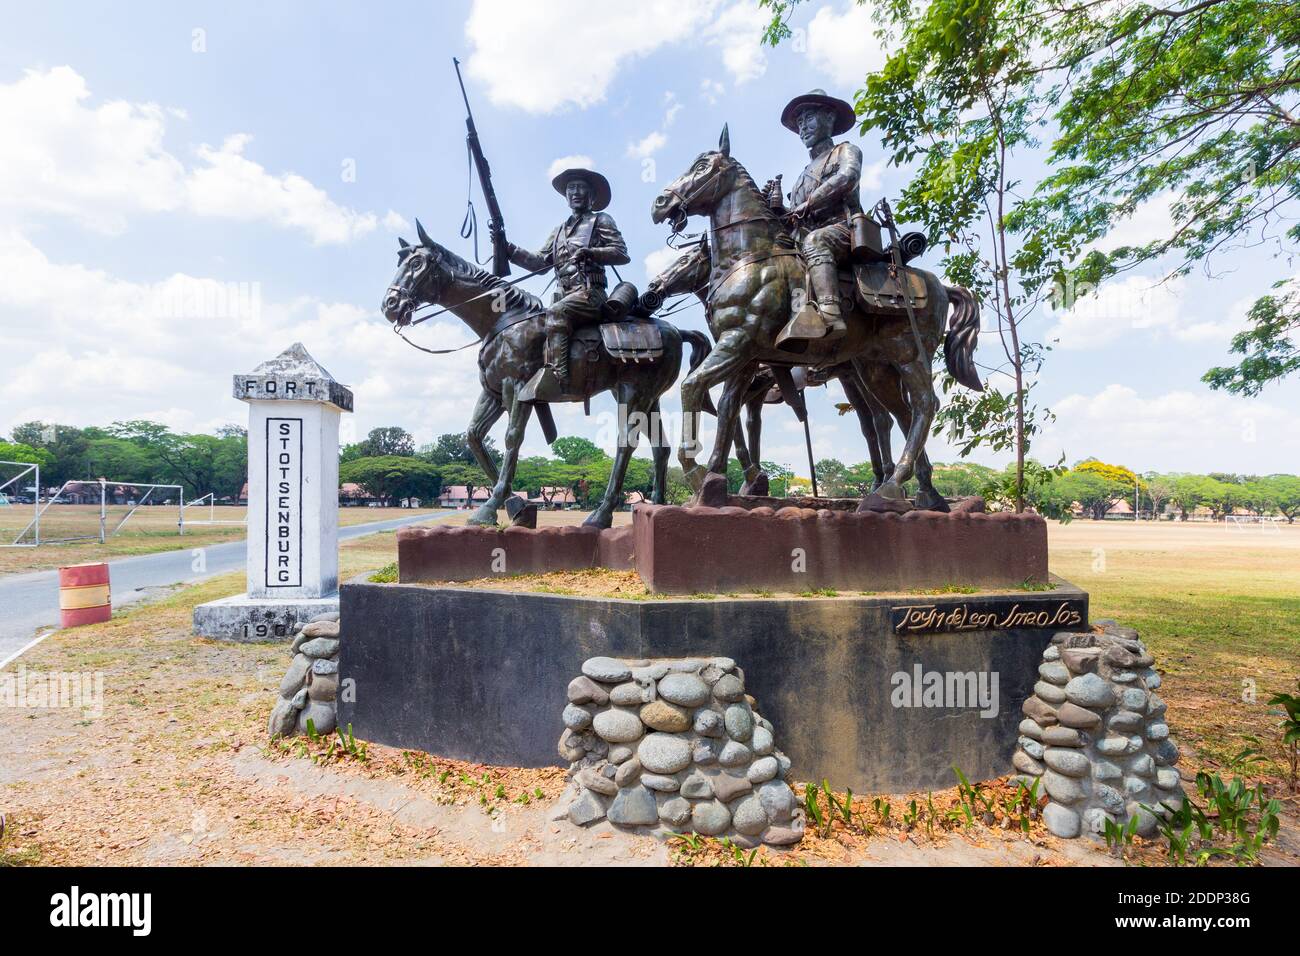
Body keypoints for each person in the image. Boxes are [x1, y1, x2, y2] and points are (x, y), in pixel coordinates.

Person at [491, 168, 629, 399]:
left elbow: (621, 253)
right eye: (570, 188)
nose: (575, 192)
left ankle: (558, 378)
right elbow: (539, 263)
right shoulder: (559, 231)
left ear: (592, 195)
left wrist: (592, 252)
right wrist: (508, 248)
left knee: (556, 312)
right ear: (566, 196)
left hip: (590, 295)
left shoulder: (601, 220)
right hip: (566, 296)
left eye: (581, 187)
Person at [779, 89, 863, 340]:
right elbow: (795, 216)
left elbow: (848, 177)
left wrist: (811, 202)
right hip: (804, 236)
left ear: (829, 117)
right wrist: (778, 211)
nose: (803, 127)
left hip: (842, 229)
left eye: (809, 118)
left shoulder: (846, 151)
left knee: (815, 241)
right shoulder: (801, 176)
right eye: (800, 123)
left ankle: (829, 312)